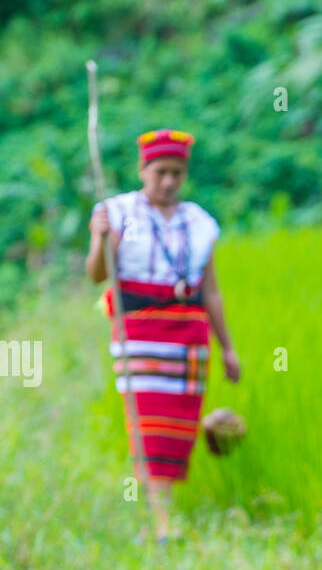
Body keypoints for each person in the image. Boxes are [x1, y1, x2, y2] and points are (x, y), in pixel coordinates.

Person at [85, 128, 240, 542]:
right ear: (143, 169)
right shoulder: (116, 212)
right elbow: (97, 273)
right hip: (139, 333)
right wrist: (101, 237)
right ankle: (162, 521)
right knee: (149, 419)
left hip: (190, 335)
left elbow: (211, 291)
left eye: (176, 172)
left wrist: (228, 348)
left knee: (180, 422)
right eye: (160, 172)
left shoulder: (199, 222)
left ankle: (164, 509)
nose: (168, 181)